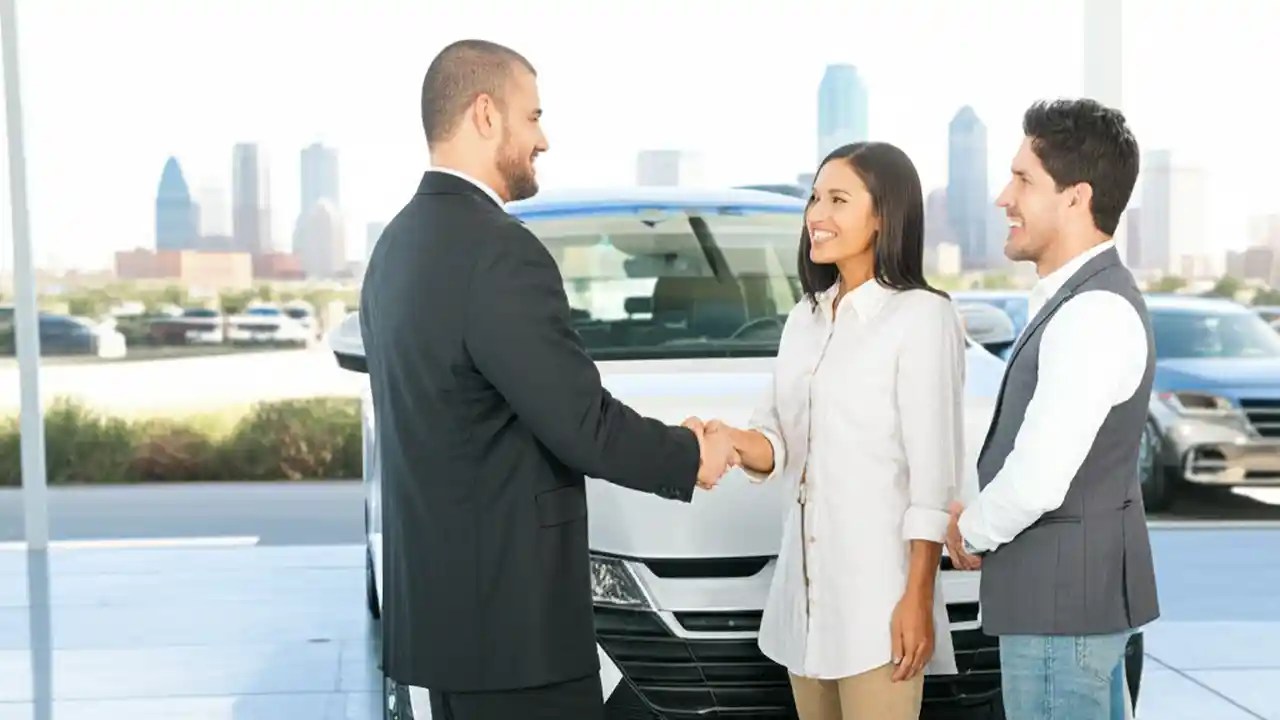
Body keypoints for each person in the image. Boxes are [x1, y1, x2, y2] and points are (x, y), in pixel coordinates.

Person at [358, 39, 738, 720]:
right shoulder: (499, 252)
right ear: (485, 114)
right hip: (513, 632)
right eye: (532, 116)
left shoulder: (396, 245)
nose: (544, 138)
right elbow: (580, 423)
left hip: (447, 625)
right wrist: (693, 453)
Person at [699, 141, 965, 720]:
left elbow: (932, 479)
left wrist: (917, 598)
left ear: (883, 216)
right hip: (805, 607)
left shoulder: (921, 317)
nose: (816, 214)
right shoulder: (805, 317)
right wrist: (729, 441)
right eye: (815, 197)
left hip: (879, 606)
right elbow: (777, 439)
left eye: (838, 199)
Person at [945, 98, 1158, 719]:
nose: (1002, 197)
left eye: (1023, 179)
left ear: (1075, 197)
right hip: (1074, 610)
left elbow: (1039, 478)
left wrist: (969, 530)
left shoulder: (1091, 313)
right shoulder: (1084, 302)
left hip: (1060, 619)